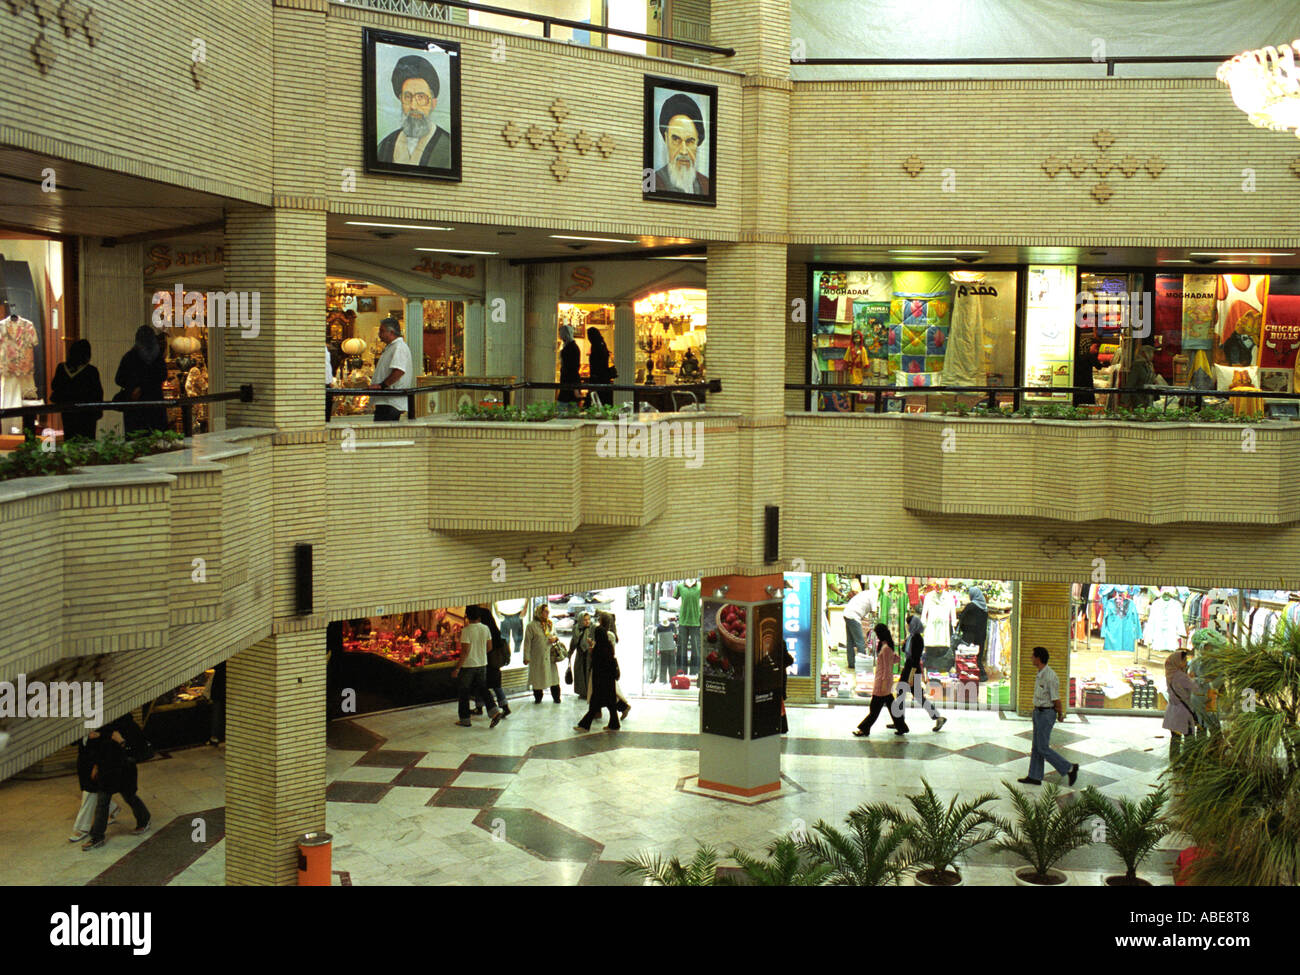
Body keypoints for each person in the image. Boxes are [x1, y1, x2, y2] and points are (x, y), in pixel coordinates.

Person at [81, 714, 152, 851]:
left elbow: (139, 749)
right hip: (107, 769)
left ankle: (144, 819)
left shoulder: (129, 726)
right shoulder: (104, 725)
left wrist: (121, 741)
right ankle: (97, 836)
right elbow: (98, 747)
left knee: (129, 796)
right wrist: (96, 764)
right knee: (103, 801)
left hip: (125, 769)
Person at [376, 54, 452, 169]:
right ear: (400, 99)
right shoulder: (385, 146)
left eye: (421, 97)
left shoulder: (449, 146)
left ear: (433, 103)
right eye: (407, 97)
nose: (413, 106)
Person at [1019, 646, 1078, 786]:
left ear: (1038, 658)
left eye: (1032, 656)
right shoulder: (1040, 673)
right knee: (1036, 746)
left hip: (1046, 714)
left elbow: (1056, 699)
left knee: (1043, 747)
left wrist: (1060, 714)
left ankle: (1069, 768)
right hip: (1038, 712)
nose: (1031, 658)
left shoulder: (1050, 677)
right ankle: (1034, 776)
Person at [451, 606, 503, 728]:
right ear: (479, 616)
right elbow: (489, 647)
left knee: (464, 692)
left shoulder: (467, 630)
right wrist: (480, 653)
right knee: (483, 689)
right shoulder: (485, 628)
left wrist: (457, 668)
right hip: (482, 664)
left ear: (467, 617)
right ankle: (494, 712)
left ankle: (465, 719)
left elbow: (464, 652)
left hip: (469, 665)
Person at [895, 614, 947, 734]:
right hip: (908, 667)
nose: (907, 627)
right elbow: (905, 651)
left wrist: (912, 676)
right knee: (901, 693)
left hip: (913, 669)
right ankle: (899, 721)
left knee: (916, 695)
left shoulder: (918, 639)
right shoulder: (911, 637)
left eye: (908, 625)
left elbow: (915, 658)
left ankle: (938, 717)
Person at [653, 92, 711, 196]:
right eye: (676, 139)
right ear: (666, 138)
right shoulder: (652, 182)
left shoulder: (707, 185)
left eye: (690, 141)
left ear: (698, 141)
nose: (684, 151)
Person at [114, 325, 168, 433]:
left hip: (134, 405)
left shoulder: (129, 357)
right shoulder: (158, 358)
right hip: (155, 403)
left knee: (135, 439)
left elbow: (119, 379)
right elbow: (163, 375)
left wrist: (133, 386)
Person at [575, 613, 621, 733]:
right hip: (608, 681)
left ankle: (584, 725)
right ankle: (614, 724)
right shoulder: (607, 647)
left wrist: (592, 649)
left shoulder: (600, 650)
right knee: (610, 704)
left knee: (595, 704)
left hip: (601, 682)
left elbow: (596, 664)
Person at [50, 339, 103, 441]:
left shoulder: (61, 368)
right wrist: (98, 411)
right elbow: (97, 393)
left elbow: (54, 386)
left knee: (70, 437)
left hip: (68, 412)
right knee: (86, 440)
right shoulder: (91, 371)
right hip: (87, 414)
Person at [69, 732, 118, 843]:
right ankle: (113, 808)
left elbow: (108, 740)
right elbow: (72, 741)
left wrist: (97, 765)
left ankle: (82, 827)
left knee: (89, 793)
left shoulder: (102, 723)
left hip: (98, 763)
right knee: (92, 791)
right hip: (84, 763)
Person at [854, 623, 900, 737]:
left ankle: (864, 729)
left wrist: (884, 683)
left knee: (874, 708)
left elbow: (886, 668)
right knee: (890, 705)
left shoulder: (885, 649)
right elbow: (894, 661)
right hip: (883, 681)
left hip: (882, 682)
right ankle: (901, 726)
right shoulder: (886, 647)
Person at [368, 317, 413, 421]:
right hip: (385, 400)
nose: (379, 334)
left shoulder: (399, 347)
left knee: (384, 433)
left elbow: (399, 371)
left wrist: (381, 386)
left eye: (382, 331)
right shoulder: (391, 347)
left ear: (391, 332)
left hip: (391, 402)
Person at [1163, 650, 1199, 762]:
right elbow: (1195, 688)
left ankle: (1174, 760)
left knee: (1175, 738)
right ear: (1179, 661)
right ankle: (1188, 760)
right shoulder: (1181, 676)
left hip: (1172, 710)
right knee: (1189, 736)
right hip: (1183, 712)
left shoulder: (1170, 673)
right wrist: (1194, 678)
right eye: (1184, 660)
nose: (1186, 662)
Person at [523, 602, 562, 703]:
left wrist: (555, 638)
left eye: (548, 612)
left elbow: (556, 635)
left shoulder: (550, 624)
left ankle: (556, 697)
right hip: (537, 657)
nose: (547, 614)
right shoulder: (531, 626)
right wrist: (526, 657)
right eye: (545, 612)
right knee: (538, 678)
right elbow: (527, 643)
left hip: (550, 656)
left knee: (553, 678)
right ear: (539, 612)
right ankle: (538, 698)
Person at [476, 604, 510, 718]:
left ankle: (480, 707)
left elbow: (487, 647)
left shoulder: (484, 630)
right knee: (495, 685)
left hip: (488, 661)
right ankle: (504, 707)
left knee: (481, 684)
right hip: (495, 662)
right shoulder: (494, 629)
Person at [598, 611, 631, 720]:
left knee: (608, 692)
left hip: (605, 667)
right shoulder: (609, 633)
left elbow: (603, 650)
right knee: (605, 692)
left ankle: (623, 707)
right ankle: (597, 711)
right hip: (606, 666)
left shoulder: (608, 634)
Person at [955, 585, 989, 681]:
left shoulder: (971, 606)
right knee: (978, 657)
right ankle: (981, 675)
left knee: (968, 657)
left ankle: (968, 676)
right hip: (981, 636)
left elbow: (962, 617)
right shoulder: (984, 608)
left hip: (969, 636)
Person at [841, 584, 873, 670]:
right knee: (860, 642)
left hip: (847, 614)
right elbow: (874, 612)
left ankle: (851, 663)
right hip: (853, 616)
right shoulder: (874, 595)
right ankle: (862, 664)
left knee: (850, 641)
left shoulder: (866, 593)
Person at [568, 610, 594, 701]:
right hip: (580, 655)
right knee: (580, 674)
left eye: (588, 619)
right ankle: (582, 692)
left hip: (589, 655)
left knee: (589, 674)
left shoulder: (592, 628)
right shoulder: (576, 629)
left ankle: (590, 692)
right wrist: (570, 653)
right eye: (585, 620)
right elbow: (574, 641)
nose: (587, 621)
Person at [586, 326, 615, 402]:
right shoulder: (602, 344)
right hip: (603, 378)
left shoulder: (596, 346)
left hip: (598, 379)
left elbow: (597, 363)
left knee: (597, 400)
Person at [557, 325, 582, 412]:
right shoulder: (572, 347)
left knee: (563, 406)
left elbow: (572, 368)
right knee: (571, 408)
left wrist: (575, 388)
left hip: (569, 381)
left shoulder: (570, 348)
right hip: (569, 381)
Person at [207, 660, 226, 746]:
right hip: (223, 691)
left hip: (218, 692)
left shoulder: (221, 664)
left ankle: (215, 736)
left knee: (217, 714)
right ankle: (219, 736)